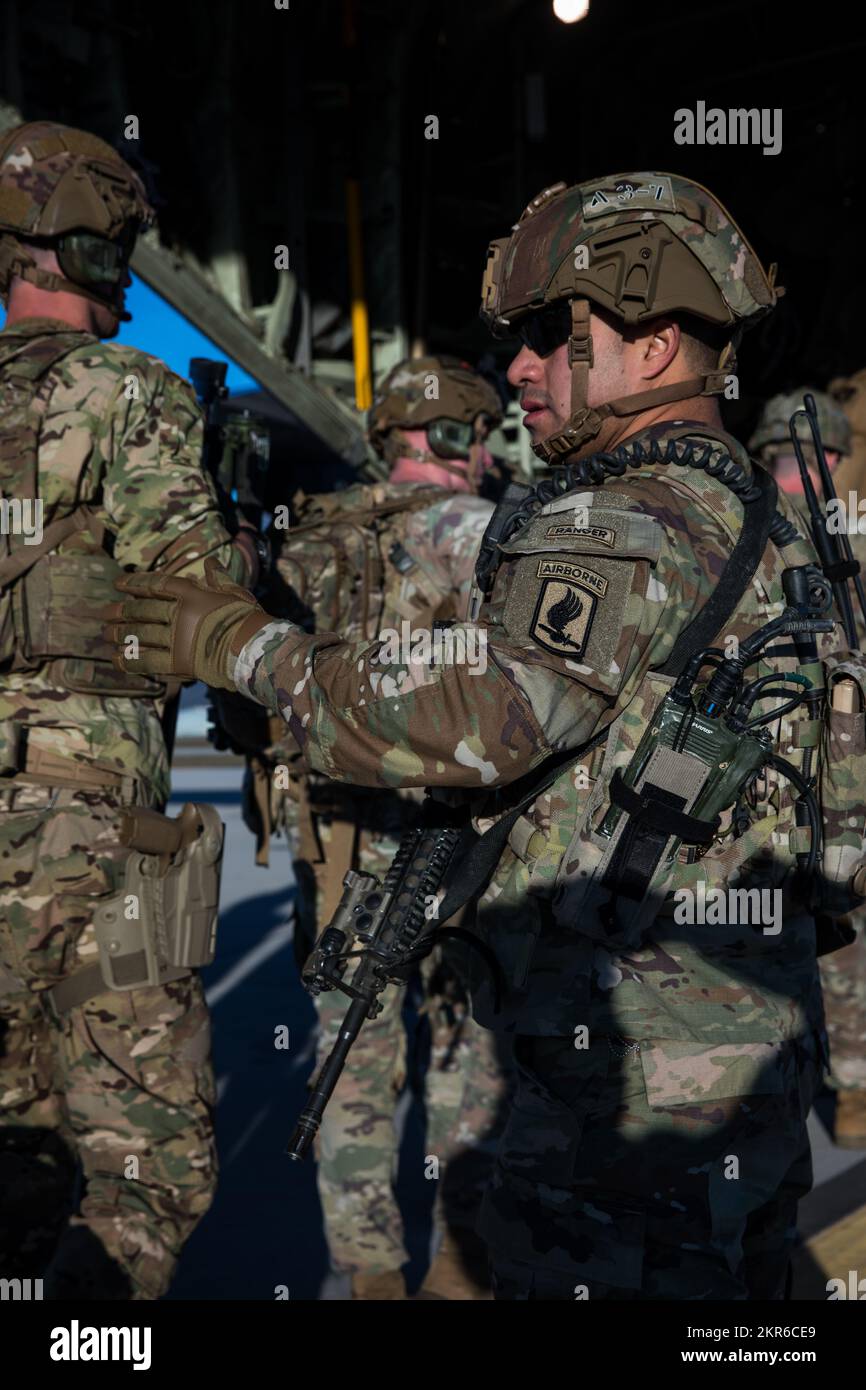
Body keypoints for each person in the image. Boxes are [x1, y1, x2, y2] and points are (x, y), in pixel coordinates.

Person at [108, 171, 861, 1299]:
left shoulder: (617, 521)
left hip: (619, 1098)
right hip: (743, 1059)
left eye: (546, 336)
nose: (515, 369)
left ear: (651, 346)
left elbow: (475, 722)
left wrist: (242, 648)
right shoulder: (764, 525)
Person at [0, 121, 259, 1299]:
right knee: (133, 1162)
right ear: (99, 253)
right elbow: (198, 602)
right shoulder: (128, 390)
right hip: (98, 825)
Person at [251, 355, 511, 1299]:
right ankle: (457, 1258)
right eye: (471, 432)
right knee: (463, 1043)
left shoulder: (308, 541)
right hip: (450, 836)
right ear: (439, 436)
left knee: (351, 1050)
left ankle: (366, 1269)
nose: (484, 452)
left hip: (333, 843)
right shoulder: (471, 528)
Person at [750, 390, 866, 1148]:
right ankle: (845, 1089)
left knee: (808, 921)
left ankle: (829, 1090)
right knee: (831, 922)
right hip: (810, 759)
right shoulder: (777, 529)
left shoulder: (754, 523)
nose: (806, 473)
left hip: (795, 761)